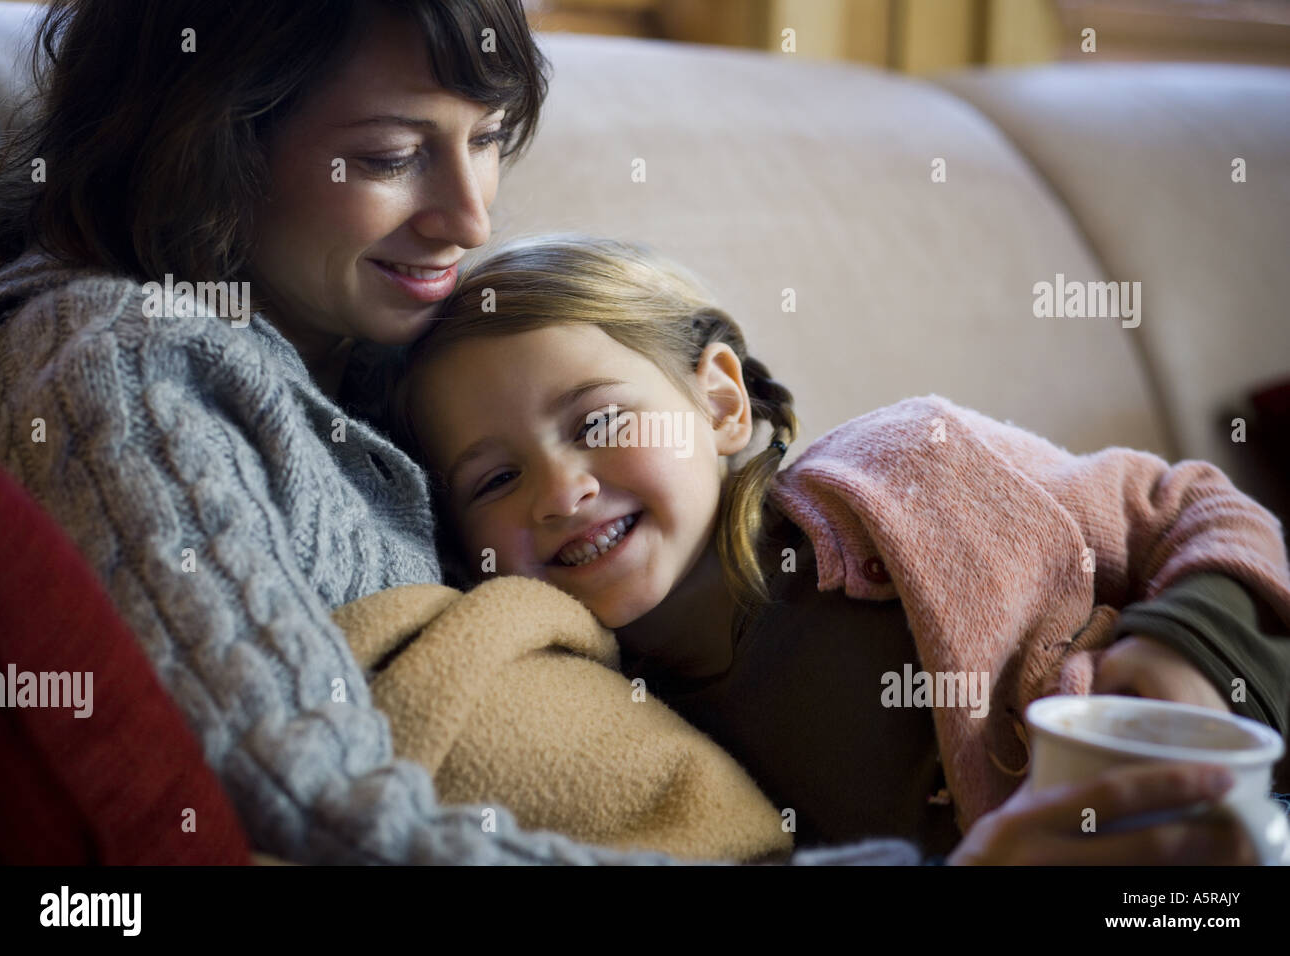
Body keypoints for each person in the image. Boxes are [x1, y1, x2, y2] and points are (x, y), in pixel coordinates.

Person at [0, 0, 1270, 867]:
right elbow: (305, 797)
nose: (467, 213)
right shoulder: (129, 366)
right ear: (211, 145)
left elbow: (1178, 511)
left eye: (487, 144)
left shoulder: (364, 347)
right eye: (390, 154)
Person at [390, 234, 1290, 864]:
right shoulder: (602, 718)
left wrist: (1188, 649)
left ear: (721, 404)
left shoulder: (909, 466)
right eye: (494, 481)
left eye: (597, 420)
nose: (561, 490)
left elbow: (1195, 507)